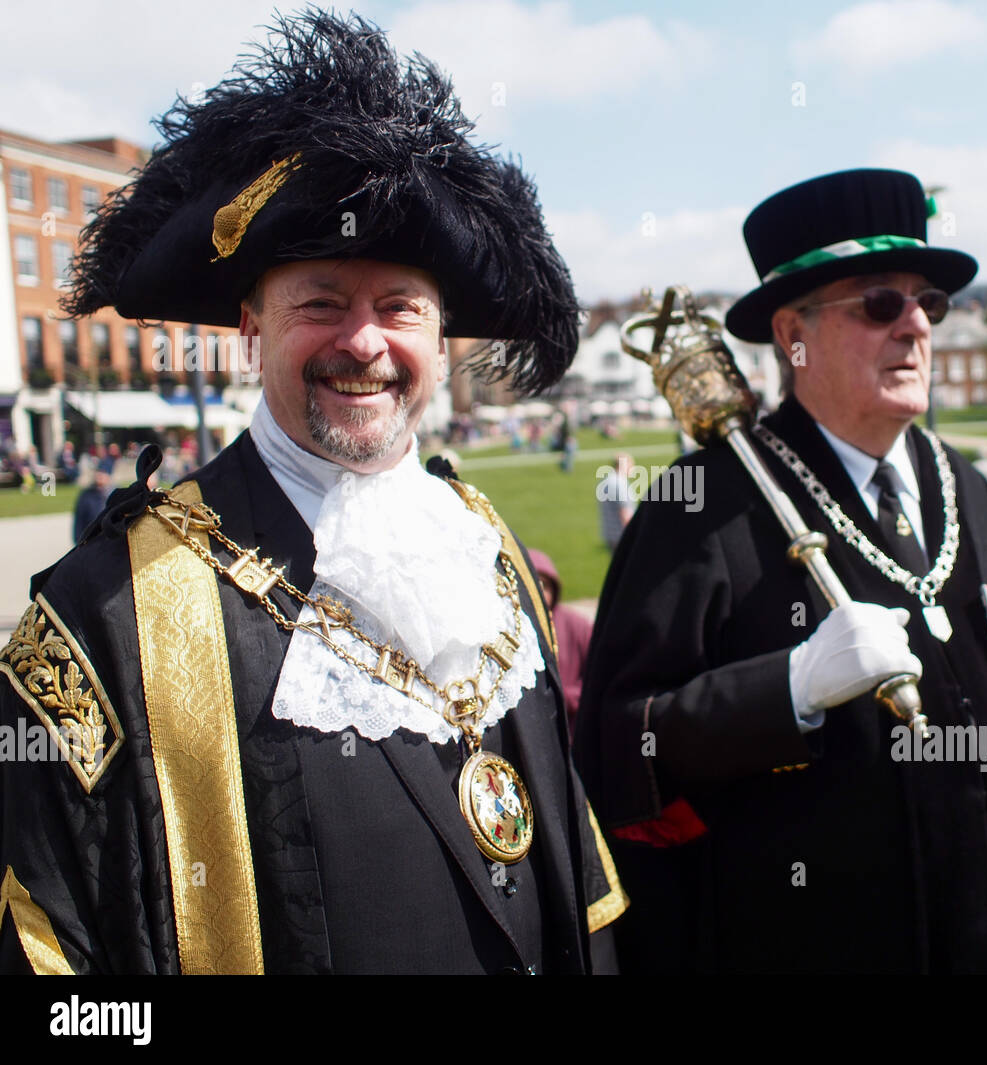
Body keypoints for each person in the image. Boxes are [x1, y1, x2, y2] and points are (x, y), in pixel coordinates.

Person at [0, 12, 625, 975]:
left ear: (442, 331)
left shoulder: (485, 542)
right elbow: (45, 957)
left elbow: (573, 866)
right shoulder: (99, 616)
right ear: (251, 323)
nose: (365, 342)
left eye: (400, 307)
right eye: (322, 302)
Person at [576, 169, 987, 974]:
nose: (915, 327)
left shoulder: (962, 482)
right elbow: (616, 747)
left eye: (926, 302)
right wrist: (784, 690)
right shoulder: (703, 505)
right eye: (879, 303)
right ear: (794, 333)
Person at [527, 549, 594, 737]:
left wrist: (565, 698)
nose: (539, 591)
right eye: (533, 583)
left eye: (545, 585)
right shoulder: (509, 632)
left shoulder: (577, 626)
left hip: (573, 729)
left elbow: (597, 677)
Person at [596, 452, 635, 551]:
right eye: (631, 464)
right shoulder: (619, 484)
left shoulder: (606, 480)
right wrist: (634, 534)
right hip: (623, 536)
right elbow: (625, 513)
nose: (633, 468)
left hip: (610, 535)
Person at [71, 462, 113, 543]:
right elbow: (79, 520)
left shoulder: (115, 493)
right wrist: (78, 541)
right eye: (98, 473)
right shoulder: (86, 495)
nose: (99, 477)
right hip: (92, 540)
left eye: (102, 474)